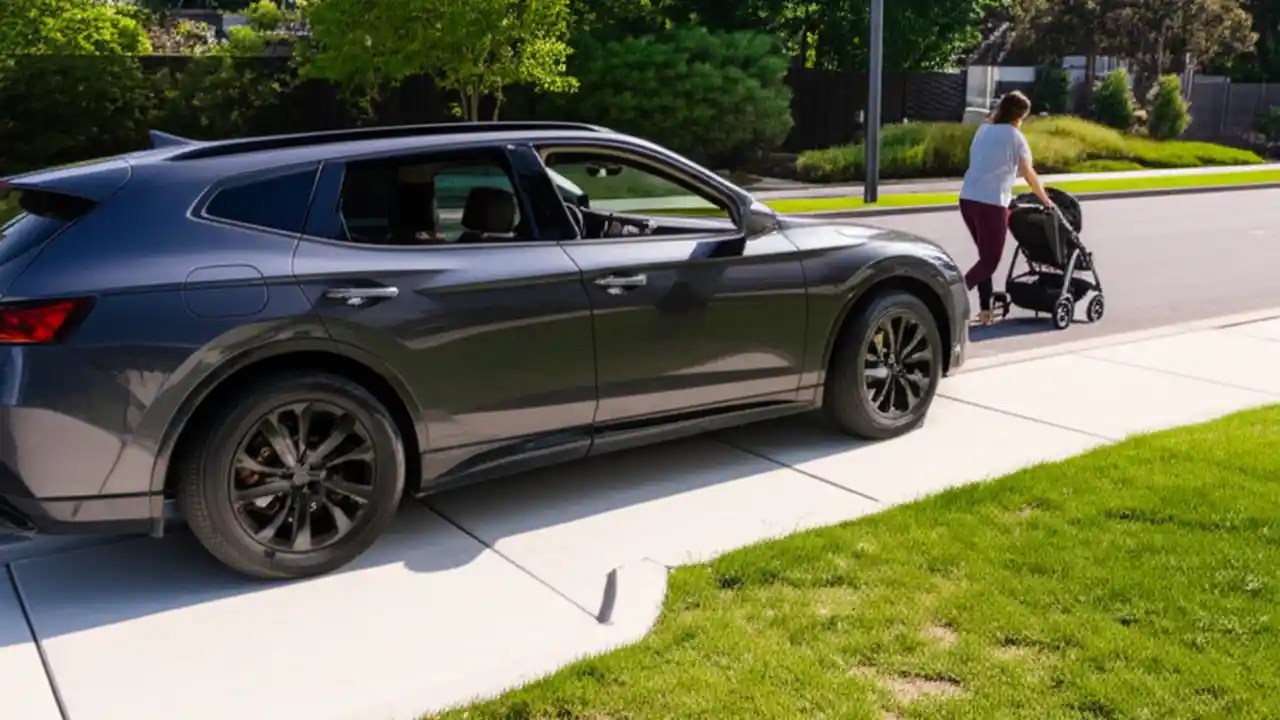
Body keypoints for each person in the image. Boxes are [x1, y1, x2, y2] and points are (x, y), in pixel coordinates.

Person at [958, 91, 1054, 325]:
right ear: (1021, 116)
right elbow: (1029, 174)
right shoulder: (1015, 136)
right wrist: (1046, 200)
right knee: (990, 261)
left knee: (984, 258)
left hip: (968, 199)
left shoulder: (984, 130)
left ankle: (985, 311)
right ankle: (952, 295)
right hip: (990, 203)